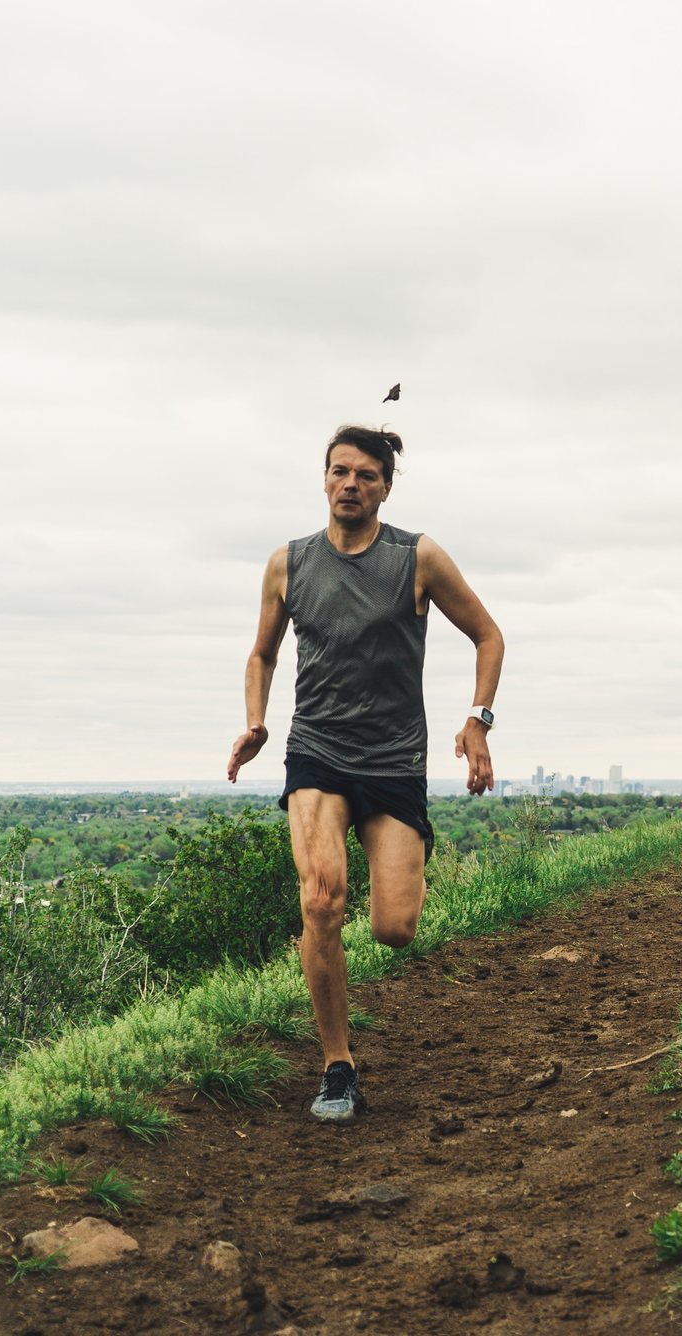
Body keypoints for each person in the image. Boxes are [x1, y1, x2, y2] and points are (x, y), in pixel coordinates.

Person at [226, 425, 504, 1122]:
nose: (352, 484)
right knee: (321, 899)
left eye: (368, 476)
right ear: (324, 478)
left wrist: (478, 720)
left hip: (395, 760)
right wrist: (257, 721)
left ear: (385, 486)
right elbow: (261, 655)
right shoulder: (287, 563)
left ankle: (403, 864)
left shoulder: (418, 557)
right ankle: (337, 1065)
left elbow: (488, 636)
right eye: (340, 472)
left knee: (394, 929)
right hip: (316, 751)